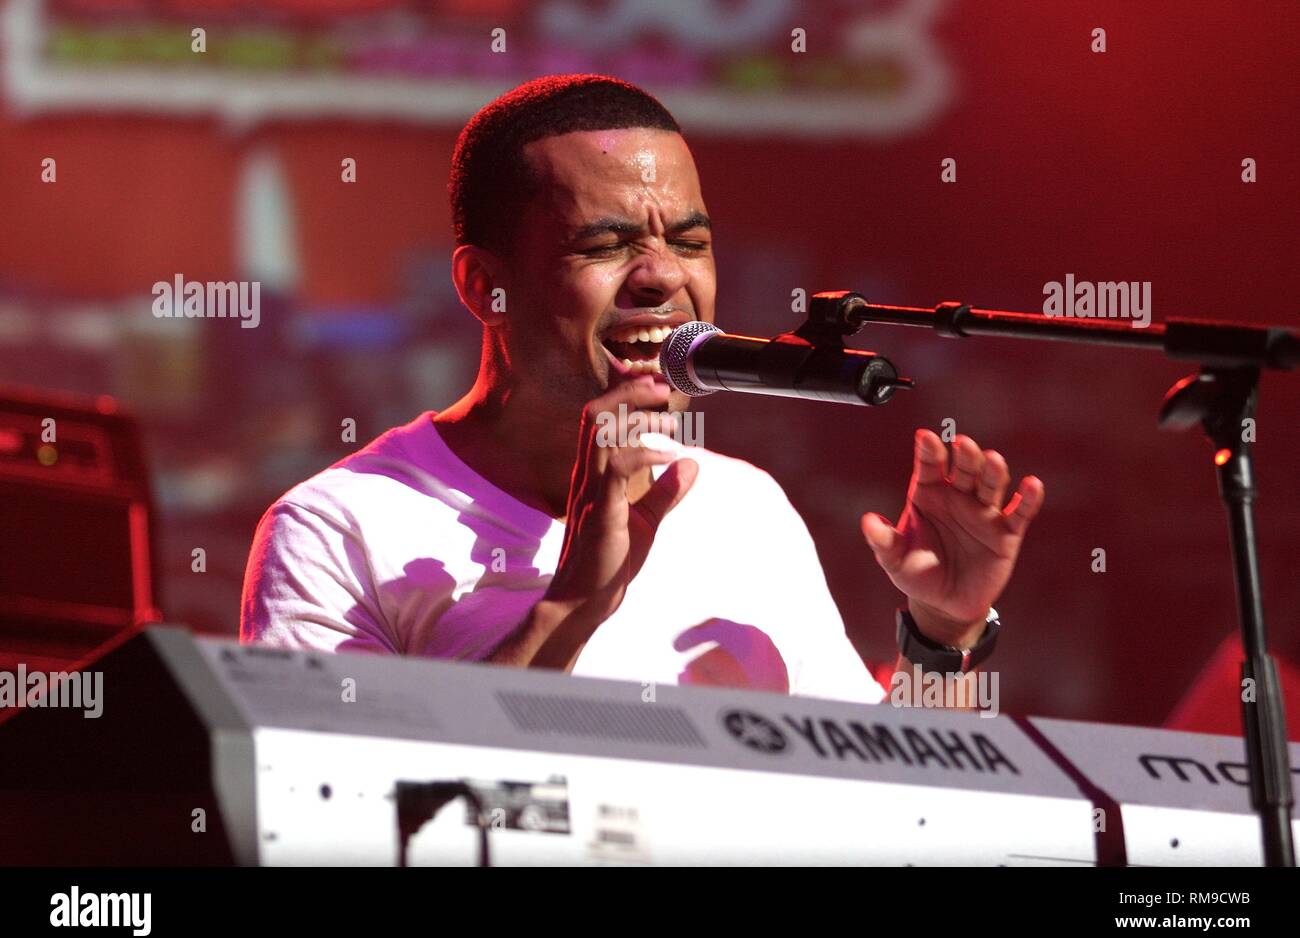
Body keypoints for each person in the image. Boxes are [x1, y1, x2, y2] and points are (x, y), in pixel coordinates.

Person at [240, 74, 1044, 705]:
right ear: (488, 285)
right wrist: (574, 601)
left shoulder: (744, 504)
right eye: (606, 245)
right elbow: (345, 820)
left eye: (690, 242)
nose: (664, 277)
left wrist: (945, 632)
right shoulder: (335, 526)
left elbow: (891, 818)